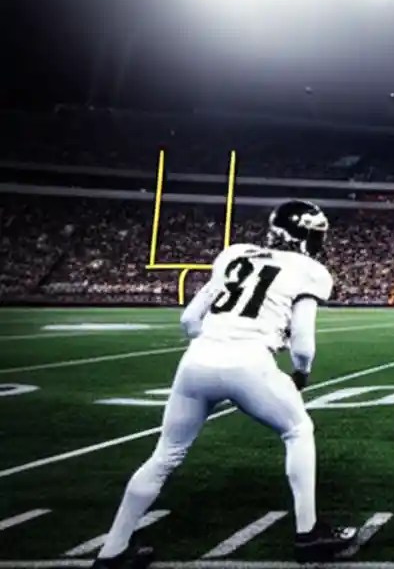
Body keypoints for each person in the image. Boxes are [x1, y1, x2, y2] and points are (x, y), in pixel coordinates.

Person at [91, 200, 358, 568]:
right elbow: (302, 344)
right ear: (305, 235)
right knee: (298, 430)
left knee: (165, 455)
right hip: (250, 361)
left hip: (197, 361)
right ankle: (309, 533)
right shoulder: (310, 269)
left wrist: (214, 343)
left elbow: (189, 319)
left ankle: (113, 550)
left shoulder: (234, 254)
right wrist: (301, 374)